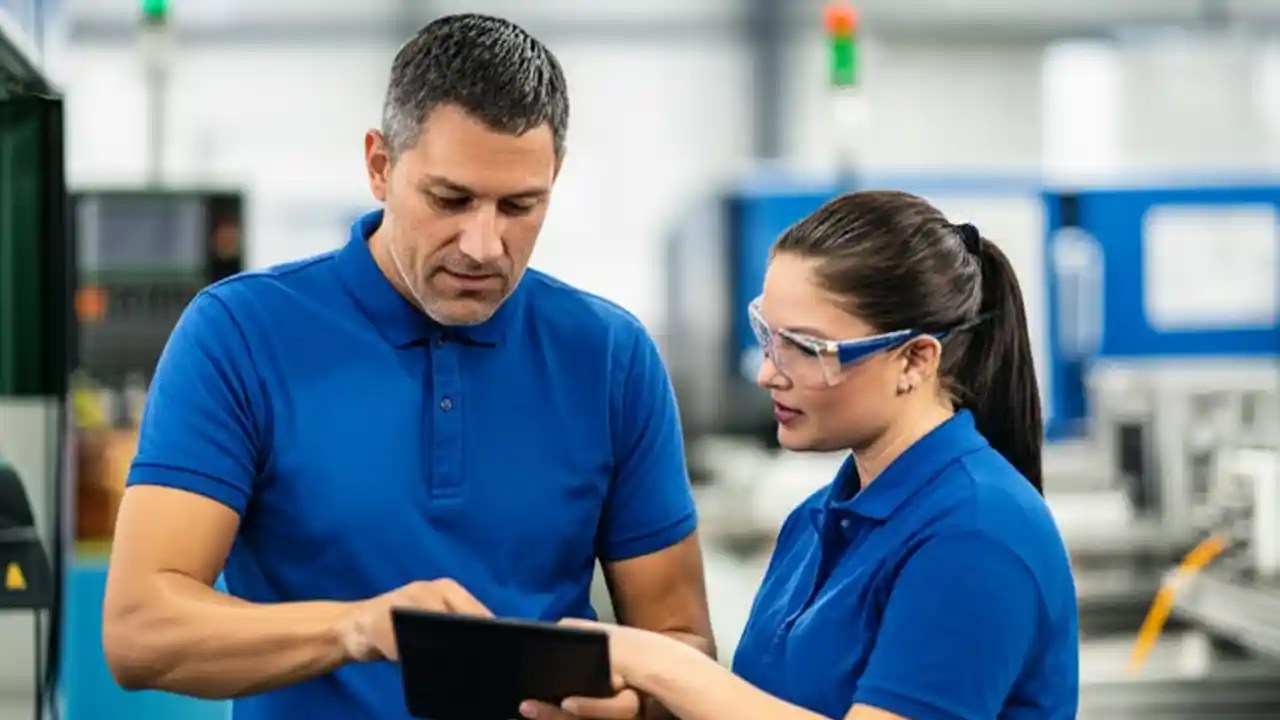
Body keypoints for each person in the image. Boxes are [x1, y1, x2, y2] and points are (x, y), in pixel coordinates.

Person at [102, 13, 715, 720]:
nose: (483, 245)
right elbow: (141, 631)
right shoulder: (239, 335)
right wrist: (356, 629)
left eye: (519, 205)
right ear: (380, 166)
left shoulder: (610, 357)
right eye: (450, 200)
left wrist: (635, 708)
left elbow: (683, 644)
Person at [528, 191, 1079, 720]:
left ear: (914, 361)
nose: (768, 373)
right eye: (768, 337)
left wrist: (662, 665)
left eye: (807, 349)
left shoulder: (977, 532)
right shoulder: (814, 521)